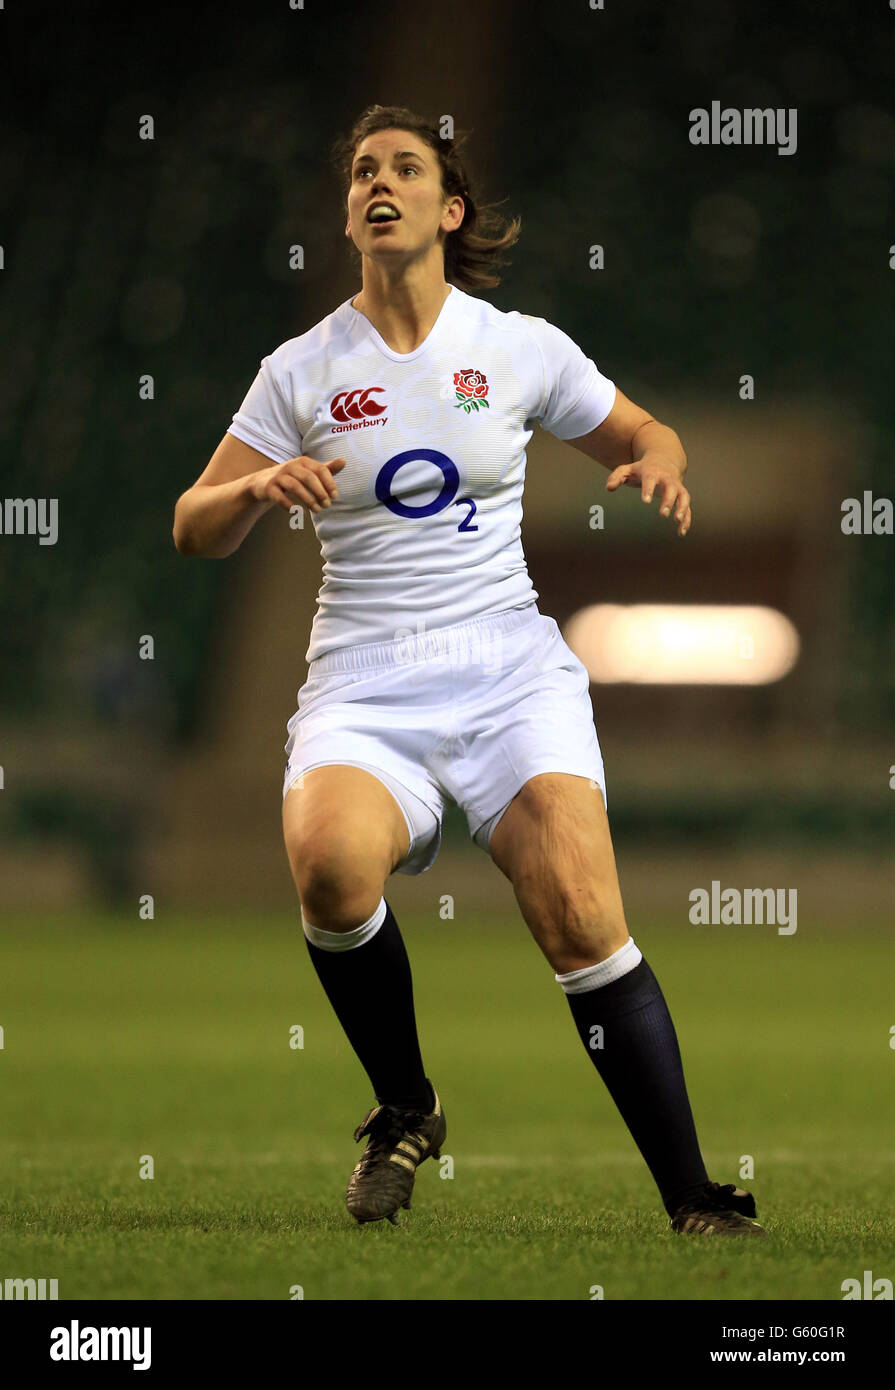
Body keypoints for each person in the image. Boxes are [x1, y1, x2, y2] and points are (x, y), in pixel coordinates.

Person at [173, 104, 765, 1239]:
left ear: (448, 210)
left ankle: (691, 1193)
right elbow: (191, 525)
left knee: (582, 914)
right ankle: (407, 1103)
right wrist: (250, 490)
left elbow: (649, 434)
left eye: (404, 167)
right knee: (332, 872)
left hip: (505, 672)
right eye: (360, 171)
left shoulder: (517, 348)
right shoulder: (299, 369)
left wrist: (657, 465)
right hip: (364, 677)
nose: (377, 182)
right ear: (351, 212)